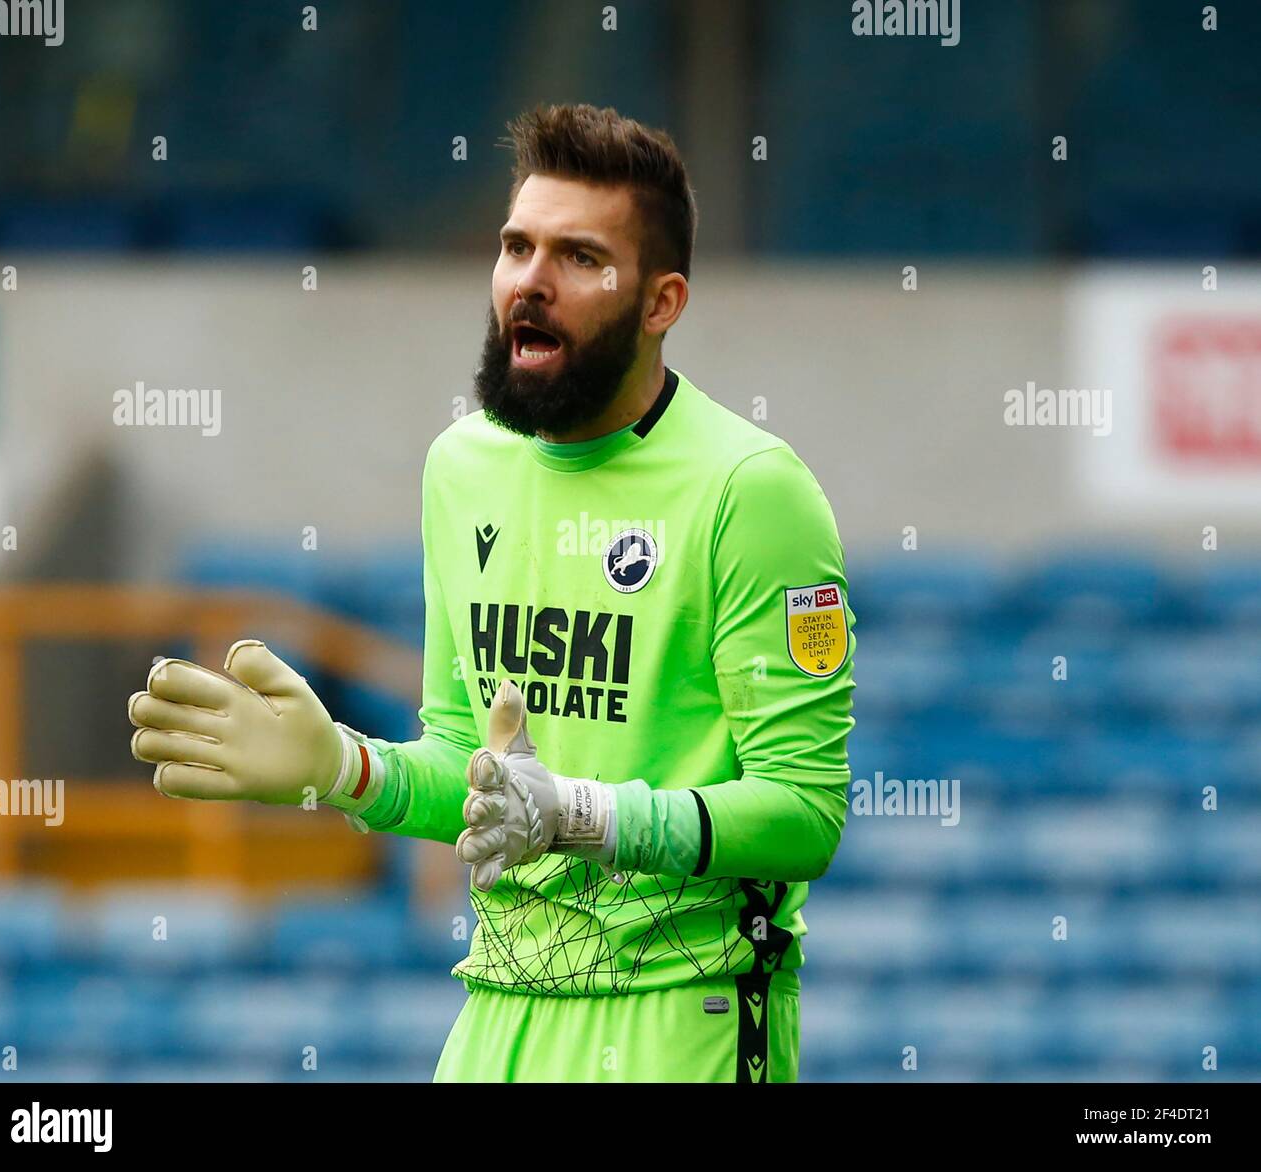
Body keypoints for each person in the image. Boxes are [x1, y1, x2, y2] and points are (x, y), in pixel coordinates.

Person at [129, 102, 856, 1083]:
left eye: (579, 257)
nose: (531, 281)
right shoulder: (462, 465)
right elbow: (472, 774)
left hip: (689, 1013)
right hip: (497, 1007)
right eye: (517, 246)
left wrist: (587, 814)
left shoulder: (753, 490)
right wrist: (345, 766)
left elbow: (804, 814)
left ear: (661, 302)